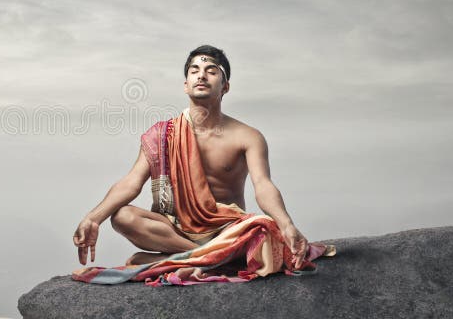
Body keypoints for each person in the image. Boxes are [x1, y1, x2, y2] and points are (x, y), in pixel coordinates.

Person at [72, 44, 309, 273]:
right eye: (194, 71)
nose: (201, 76)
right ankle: (209, 255)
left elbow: (263, 185)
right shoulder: (164, 134)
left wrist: (287, 224)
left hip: (226, 230)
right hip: (175, 230)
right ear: (186, 86)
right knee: (122, 217)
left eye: (211, 71)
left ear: (225, 86)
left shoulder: (248, 136)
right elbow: (131, 182)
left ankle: (180, 258)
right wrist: (93, 219)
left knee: (266, 235)